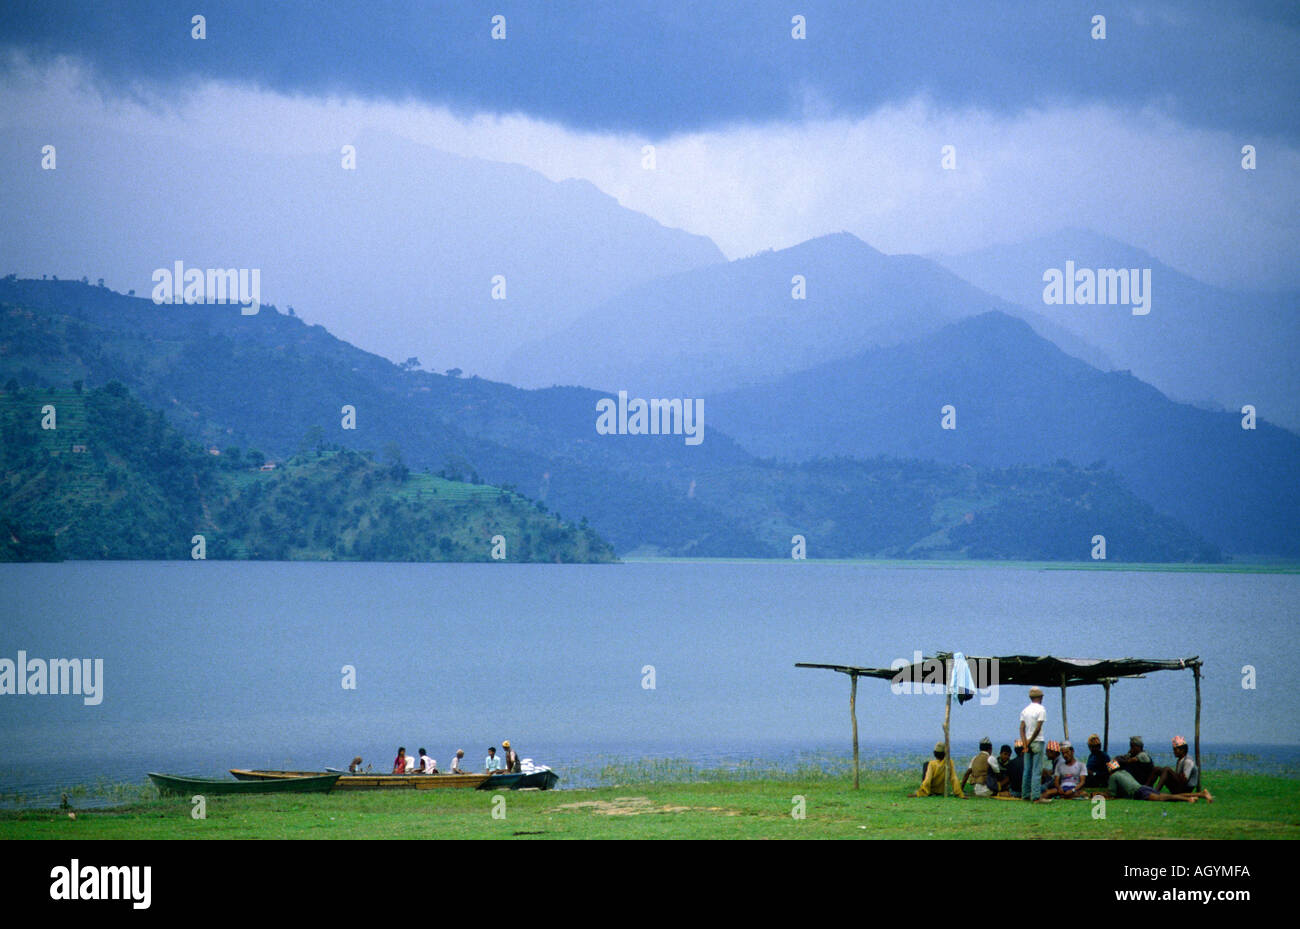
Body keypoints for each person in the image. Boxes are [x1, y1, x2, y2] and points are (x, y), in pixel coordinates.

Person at [1106, 760, 1213, 803]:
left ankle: (1189, 799)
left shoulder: (1113, 777)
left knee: (1164, 797)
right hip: (1143, 788)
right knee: (1167, 795)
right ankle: (1201, 794)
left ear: (1110, 771)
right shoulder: (1124, 772)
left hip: (1139, 792)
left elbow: (1112, 794)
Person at [1019, 686, 1048, 801]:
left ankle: (1025, 795)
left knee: (1027, 770)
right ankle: (1036, 796)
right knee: (1037, 770)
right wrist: (1030, 741)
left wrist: (1025, 743)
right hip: (1037, 741)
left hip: (1026, 741)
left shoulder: (1025, 710)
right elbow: (1038, 728)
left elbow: (1021, 728)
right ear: (1040, 697)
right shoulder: (1041, 709)